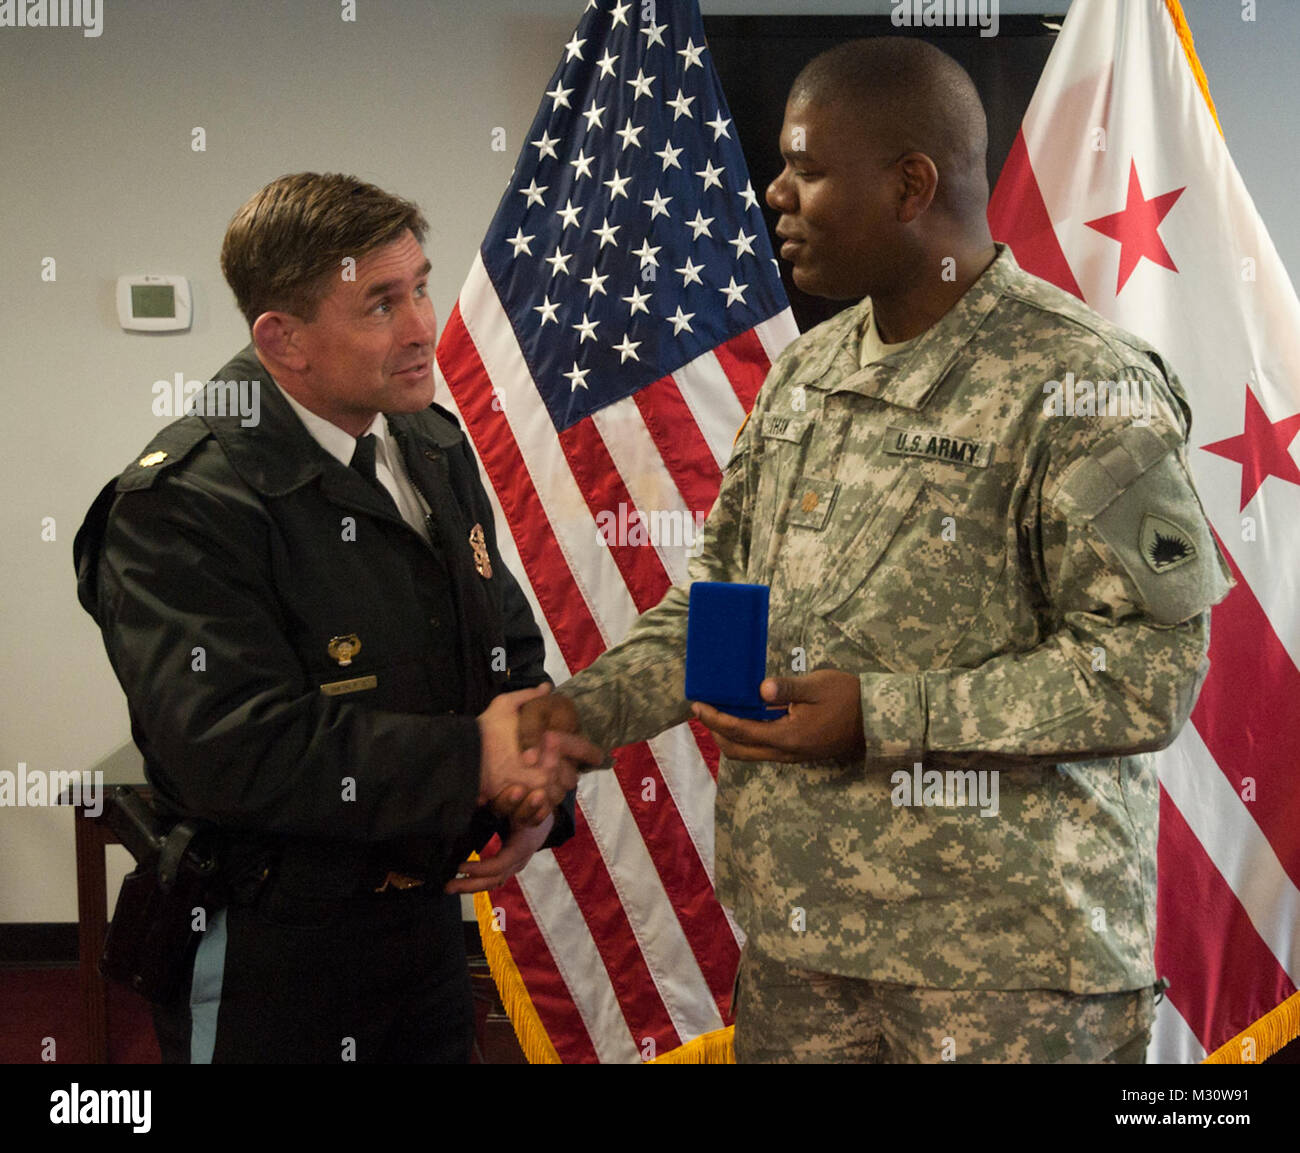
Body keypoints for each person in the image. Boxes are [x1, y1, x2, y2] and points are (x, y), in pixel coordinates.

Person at [517, 38, 1234, 1063]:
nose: (774, 194)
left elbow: (1146, 675)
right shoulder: (806, 373)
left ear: (910, 185)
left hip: (1005, 975)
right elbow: (725, 612)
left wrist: (883, 715)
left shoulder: (1079, 383)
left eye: (805, 168)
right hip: (801, 955)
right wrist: (575, 714)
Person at [74, 172, 600, 1063]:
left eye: (422, 286)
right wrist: (477, 757)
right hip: (272, 948)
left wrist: (538, 786)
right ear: (283, 339)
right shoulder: (183, 502)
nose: (423, 326)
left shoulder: (426, 440)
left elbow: (506, 645)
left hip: (423, 920)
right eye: (379, 304)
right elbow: (235, 748)